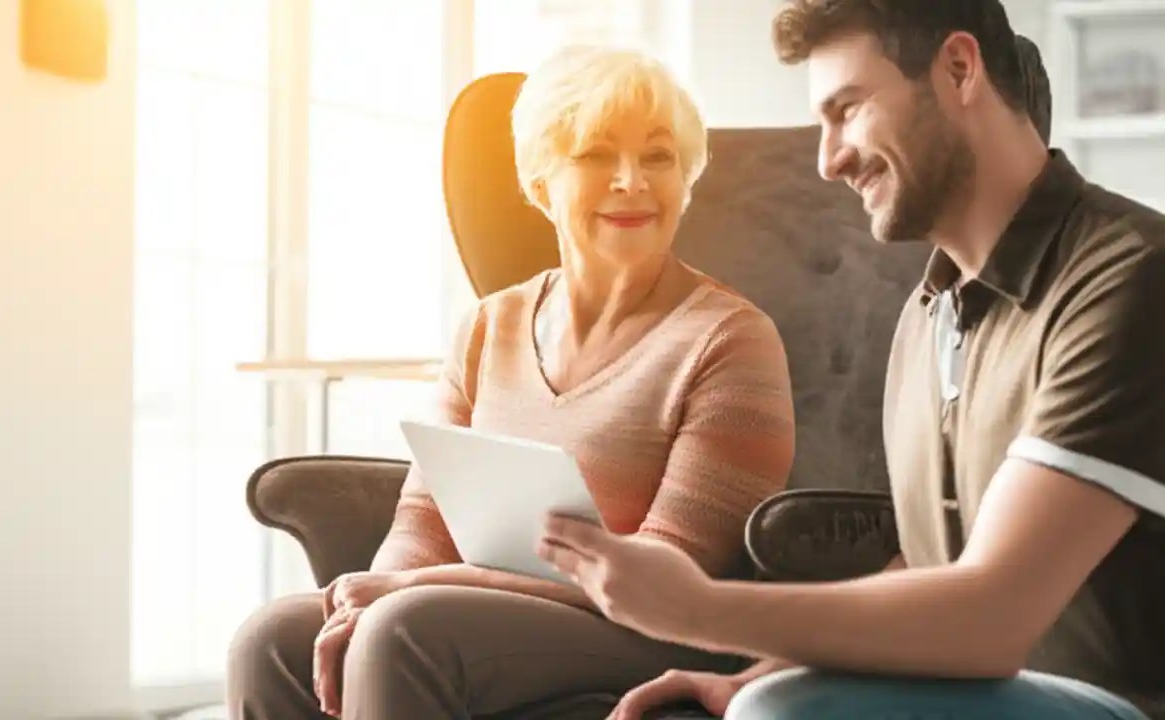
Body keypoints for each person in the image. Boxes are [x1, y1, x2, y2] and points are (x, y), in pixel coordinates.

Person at [538, 2, 1165, 719]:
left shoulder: (1130, 278)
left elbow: (991, 615)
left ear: (959, 69)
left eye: (849, 109)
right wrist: (754, 675)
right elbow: (929, 573)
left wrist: (695, 609)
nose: (828, 160)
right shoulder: (929, 315)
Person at [226, 45, 797, 720]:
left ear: (686, 177)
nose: (631, 181)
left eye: (657, 157)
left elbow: (665, 576)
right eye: (595, 154)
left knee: (404, 627)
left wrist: (411, 588)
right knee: (269, 639)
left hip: (658, 629)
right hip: (482, 614)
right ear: (539, 184)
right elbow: (423, 518)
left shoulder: (731, 340)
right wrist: (375, 588)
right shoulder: (487, 327)